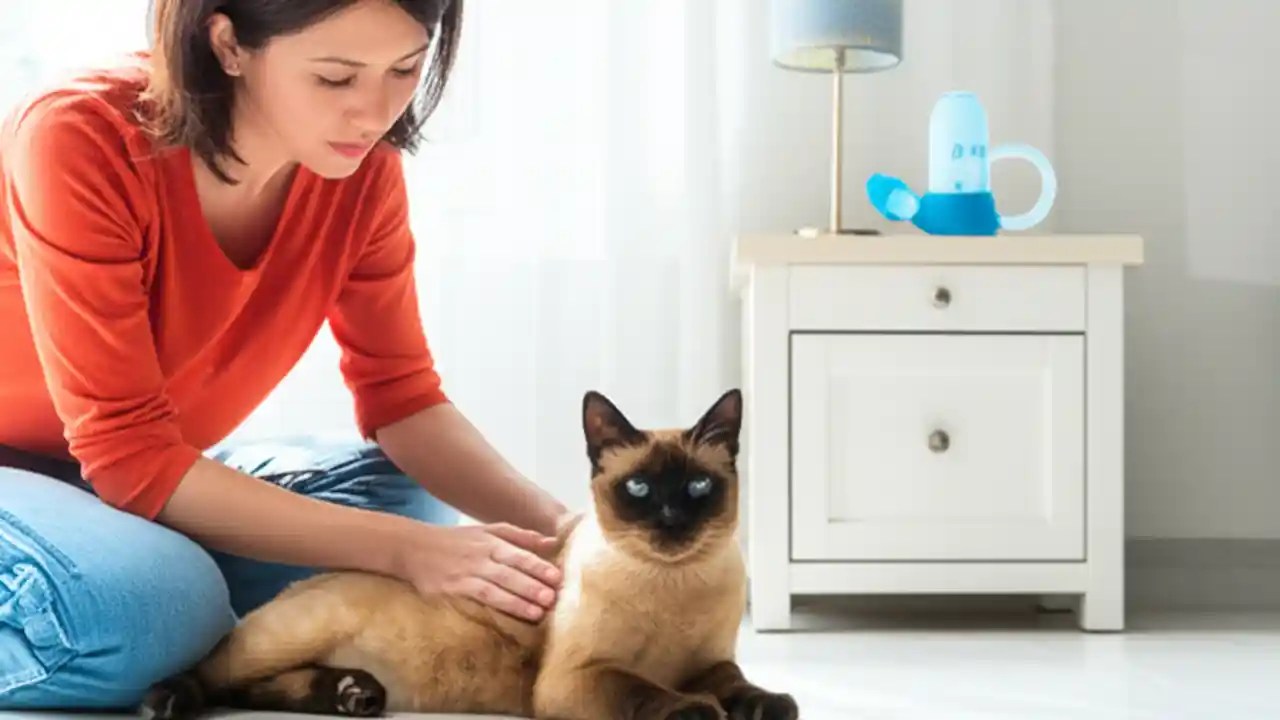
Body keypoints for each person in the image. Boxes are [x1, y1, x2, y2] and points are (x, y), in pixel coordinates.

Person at [0, 0, 571, 709]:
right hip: (30, 466)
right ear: (229, 44)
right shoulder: (81, 135)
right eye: (336, 78)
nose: (375, 113)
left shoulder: (362, 173)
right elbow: (128, 453)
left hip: (117, 482)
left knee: (407, 498)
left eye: (406, 69)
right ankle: (156, 608)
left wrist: (570, 535)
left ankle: (161, 606)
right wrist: (404, 553)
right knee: (159, 604)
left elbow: (404, 398)